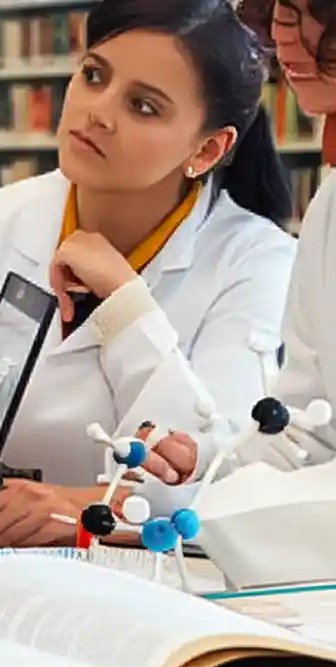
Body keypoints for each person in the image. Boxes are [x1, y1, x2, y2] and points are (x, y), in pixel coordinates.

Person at [0, 0, 298, 547]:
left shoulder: (256, 260)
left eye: (143, 106)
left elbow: (214, 478)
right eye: (93, 76)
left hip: (159, 587)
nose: (97, 111)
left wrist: (124, 305)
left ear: (207, 148)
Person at [143, 0, 336, 480]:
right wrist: (205, 466)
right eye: (280, 10)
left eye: (312, 11)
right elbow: (314, 432)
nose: (283, 31)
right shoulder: (329, 203)